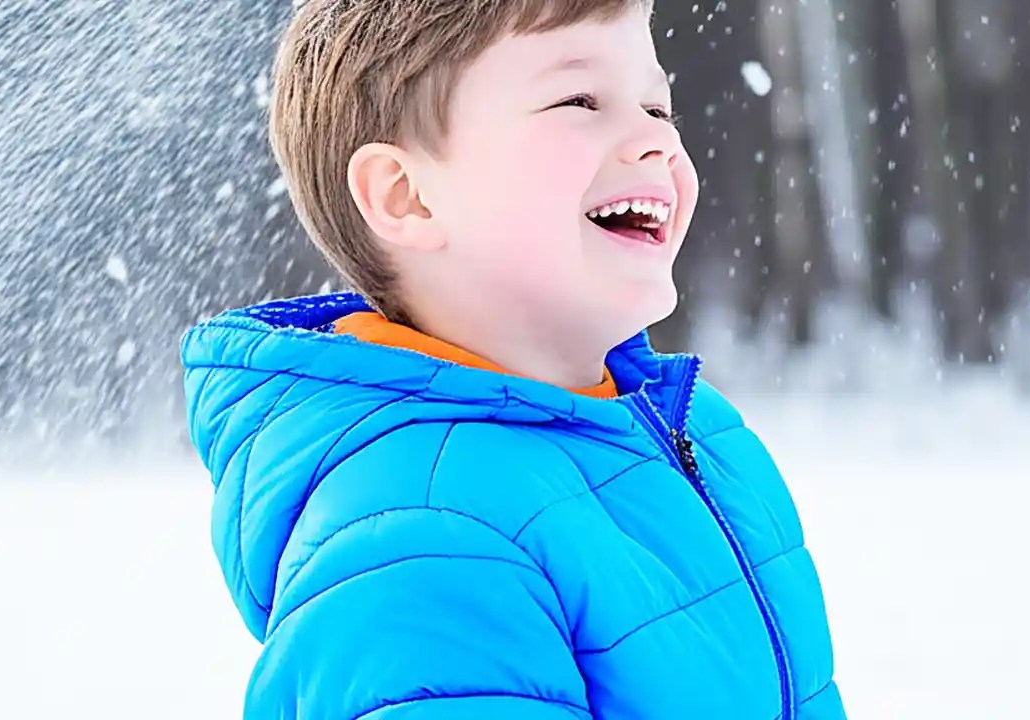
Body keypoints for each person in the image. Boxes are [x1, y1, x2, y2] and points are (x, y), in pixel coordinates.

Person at [180, 1, 844, 717]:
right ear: (407, 196)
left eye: (657, 106)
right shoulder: (418, 535)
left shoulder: (698, 434)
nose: (655, 143)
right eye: (579, 101)